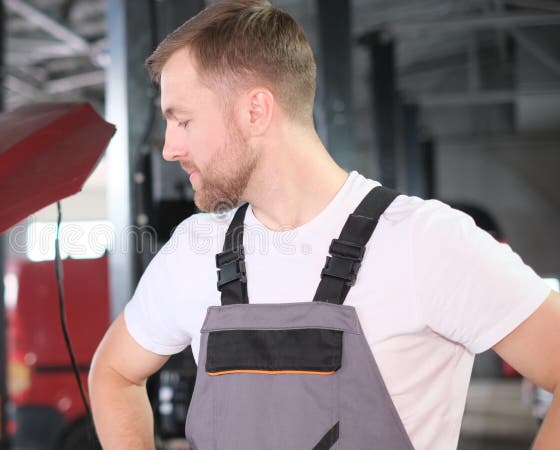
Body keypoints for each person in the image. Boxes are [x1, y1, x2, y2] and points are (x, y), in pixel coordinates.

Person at [88, 1, 560, 449]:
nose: (170, 148)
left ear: (255, 111)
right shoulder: (194, 251)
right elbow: (113, 372)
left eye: (183, 120)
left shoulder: (424, 241)